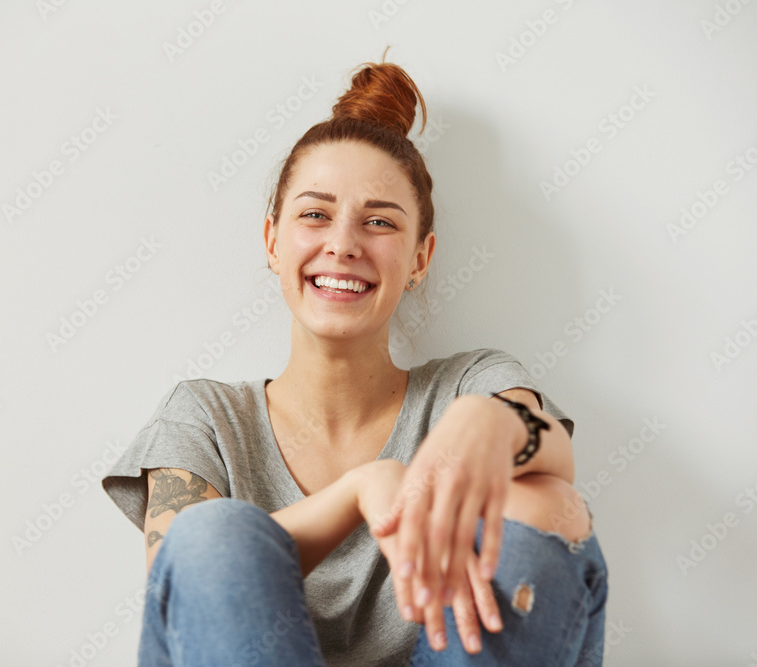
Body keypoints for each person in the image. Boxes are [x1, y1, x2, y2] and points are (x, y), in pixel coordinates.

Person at [101, 53, 609, 666]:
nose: (342, 244)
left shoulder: (468, 384)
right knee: (211, 534)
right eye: (315, 214)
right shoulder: (206, 415)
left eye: (379, 223)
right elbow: (184, 581)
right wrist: (360, 490)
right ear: (272, 241)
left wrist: (499, 423)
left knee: (541, 500)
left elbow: (557, 460)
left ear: (420, 259)